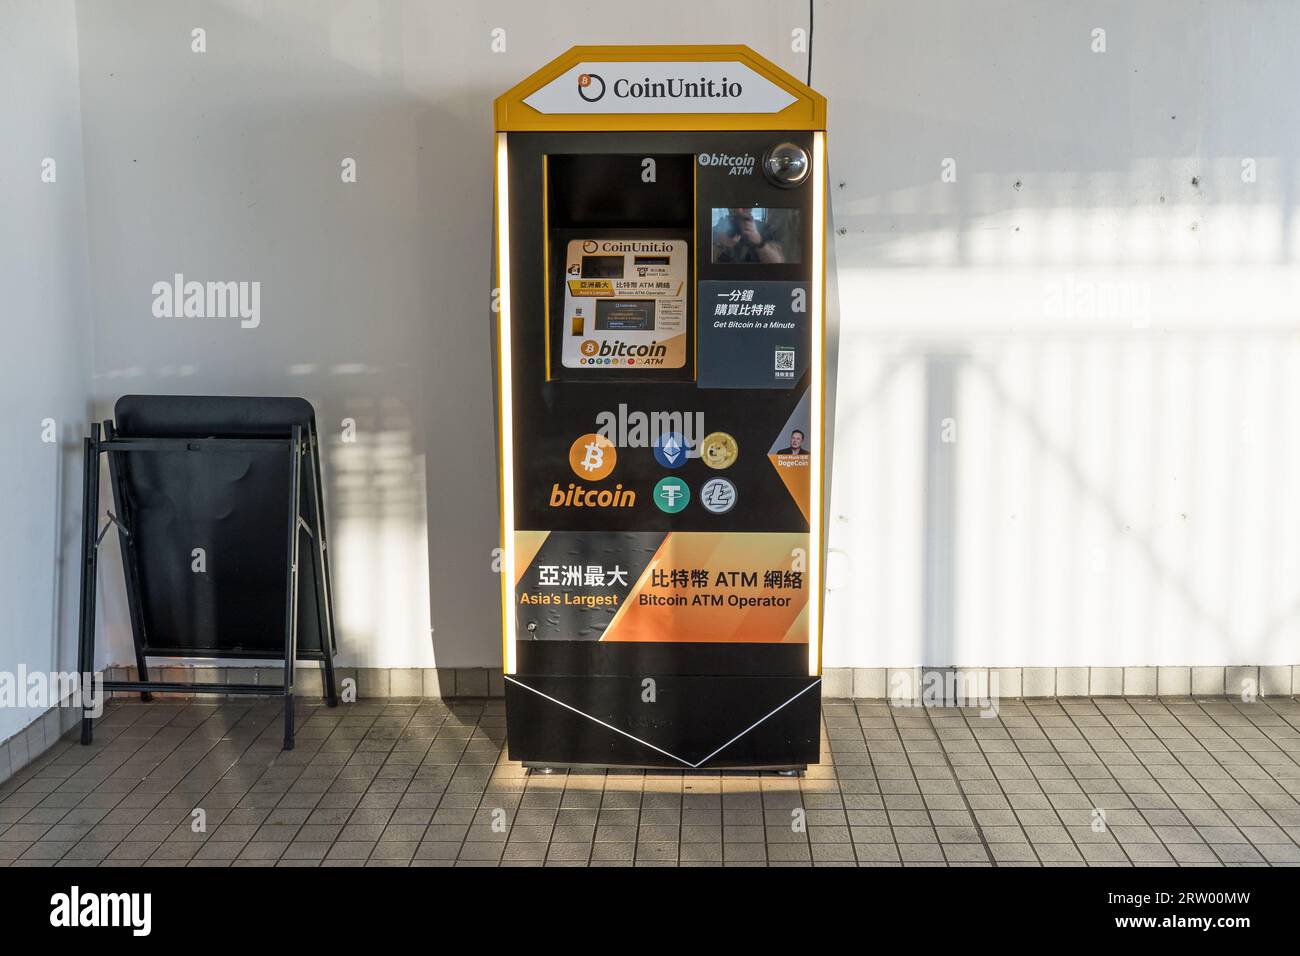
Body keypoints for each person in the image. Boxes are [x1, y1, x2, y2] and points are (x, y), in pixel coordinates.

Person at [712, 208, 787, 264]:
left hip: (757, 281)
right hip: (724, 280)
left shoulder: (765, 229)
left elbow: (778, 262)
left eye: (744, 207)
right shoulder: (718, 229)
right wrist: (719, 243)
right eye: (734, 206)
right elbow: (703, 265)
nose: (739, 210)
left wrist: (759, 242)